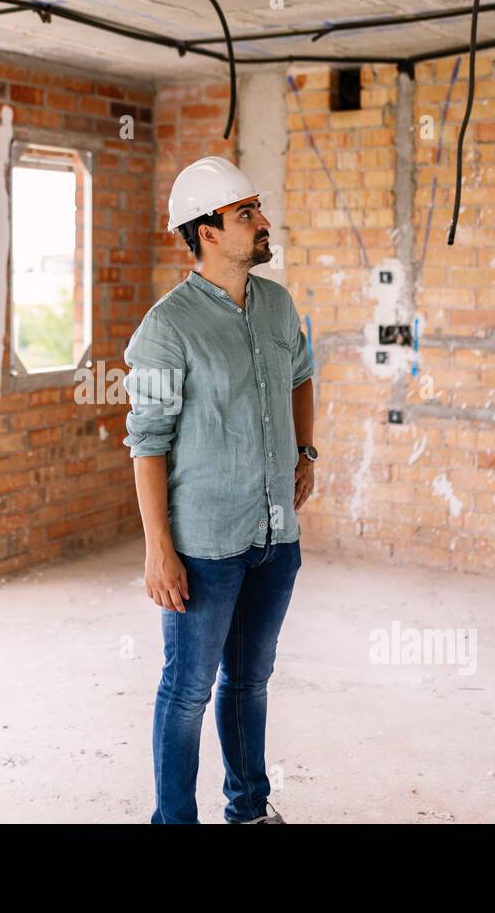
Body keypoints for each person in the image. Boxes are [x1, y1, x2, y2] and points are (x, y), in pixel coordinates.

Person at [123, 155, 316, 824]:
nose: (264, 224)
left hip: (274, 539)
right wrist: (158, 550)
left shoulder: (277, 305)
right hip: (204, 545)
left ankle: (250, 810)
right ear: (208, 232)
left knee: (250, 684)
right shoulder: (166, 327)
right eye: (246, 215)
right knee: (187, 691)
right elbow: (146, 442)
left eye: (257, 211)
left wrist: (307, 450)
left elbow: (302, 373)